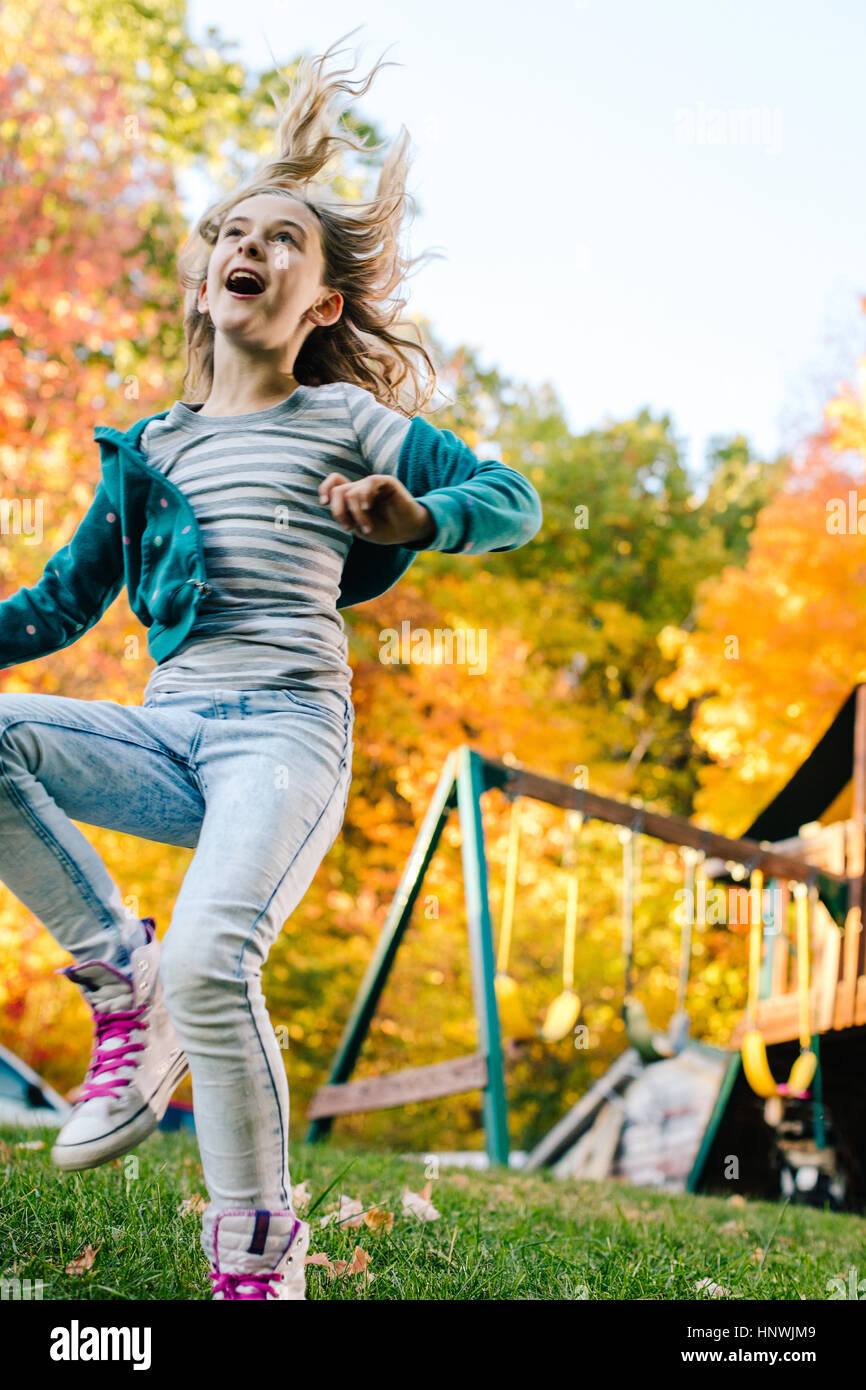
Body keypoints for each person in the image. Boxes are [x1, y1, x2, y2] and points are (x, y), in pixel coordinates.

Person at [0, 31, 542, 1300]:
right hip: (169, 734)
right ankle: (115, 968)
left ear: (322, 304)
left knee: (215, 957)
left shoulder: (347, 419)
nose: (249, 246)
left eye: (284, 239)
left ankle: (254, 1259)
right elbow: (57, 604)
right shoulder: (148, 448)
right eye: (231, 233)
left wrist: (421, 516)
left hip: (282, 740)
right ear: (203, 284)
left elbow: (508, 496)